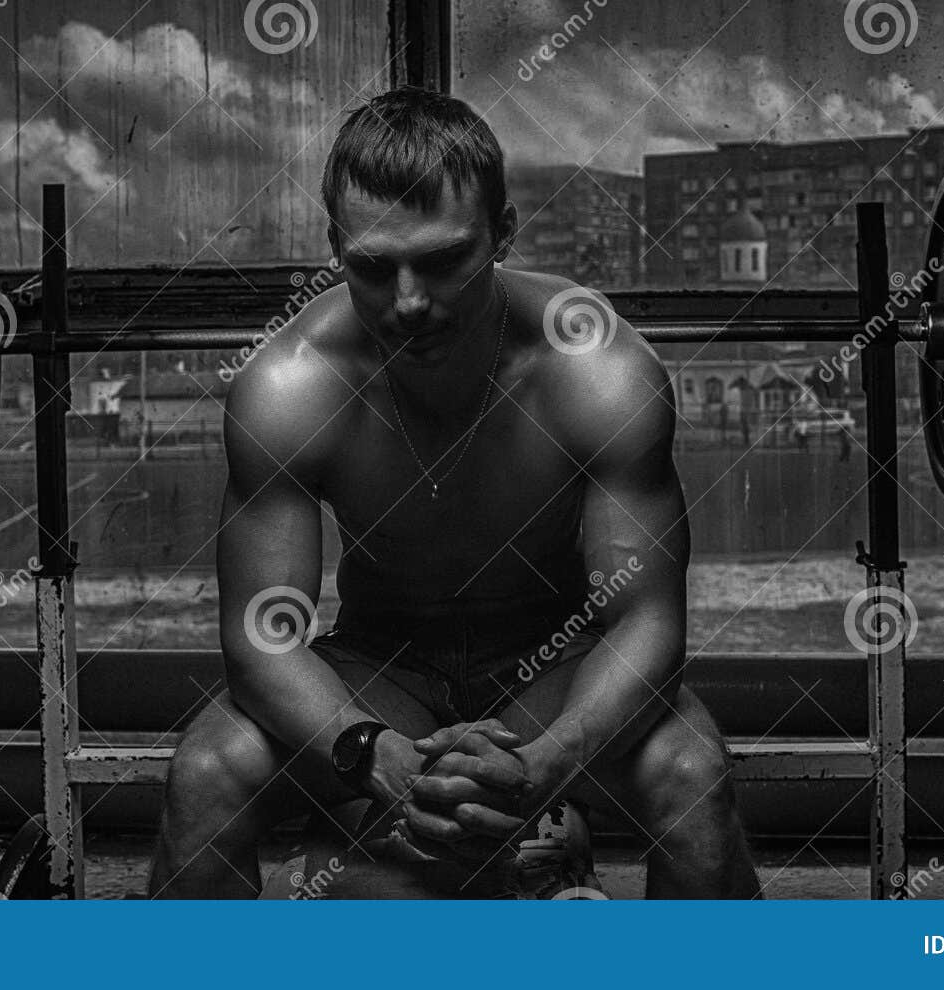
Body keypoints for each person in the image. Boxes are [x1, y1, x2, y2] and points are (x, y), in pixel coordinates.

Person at [149, 87, 759, 899]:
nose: (408, 301)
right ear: (336, 247)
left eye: (442, 261)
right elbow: (261, 637)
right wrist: (366, 749)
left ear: (503, 233)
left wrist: (550, 761)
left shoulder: (597, 372)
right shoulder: (290, 386)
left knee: (691, 773)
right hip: (381, 672)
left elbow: (646, 619)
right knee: (206, 773)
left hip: (554, 672)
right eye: (373, 266)